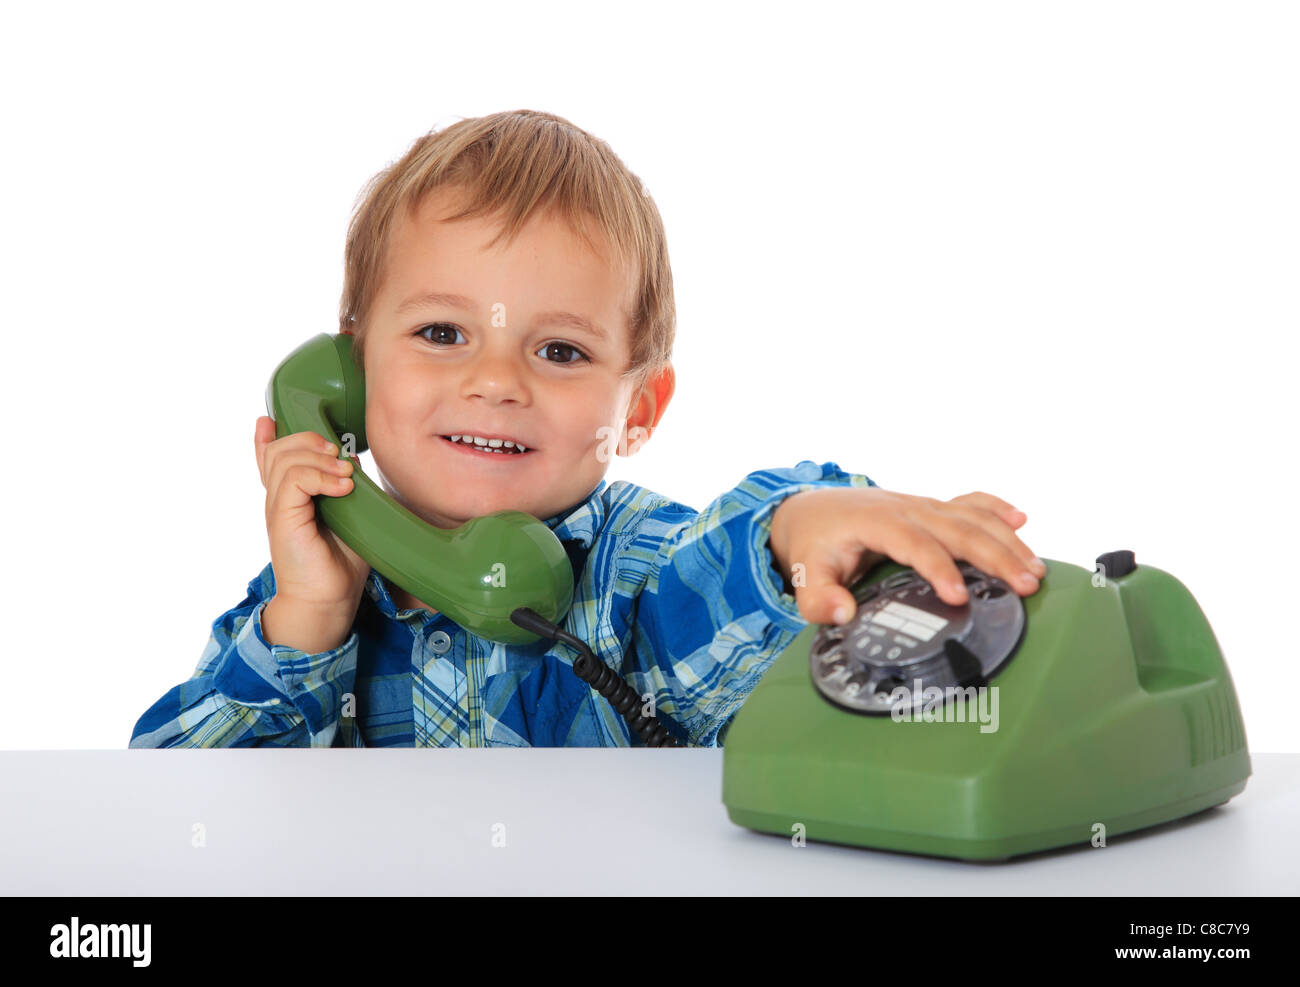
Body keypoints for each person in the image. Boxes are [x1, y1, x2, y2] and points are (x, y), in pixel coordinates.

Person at [130, 109, 1045, 749]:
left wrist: (792, 532)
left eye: (560, 351)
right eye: (442, 333)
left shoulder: (637, 570)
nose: (494, 381)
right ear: (351, 371)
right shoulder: (304, 596)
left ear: (637, 409)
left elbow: (716, 589)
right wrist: (309, 621)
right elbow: (176, 809)